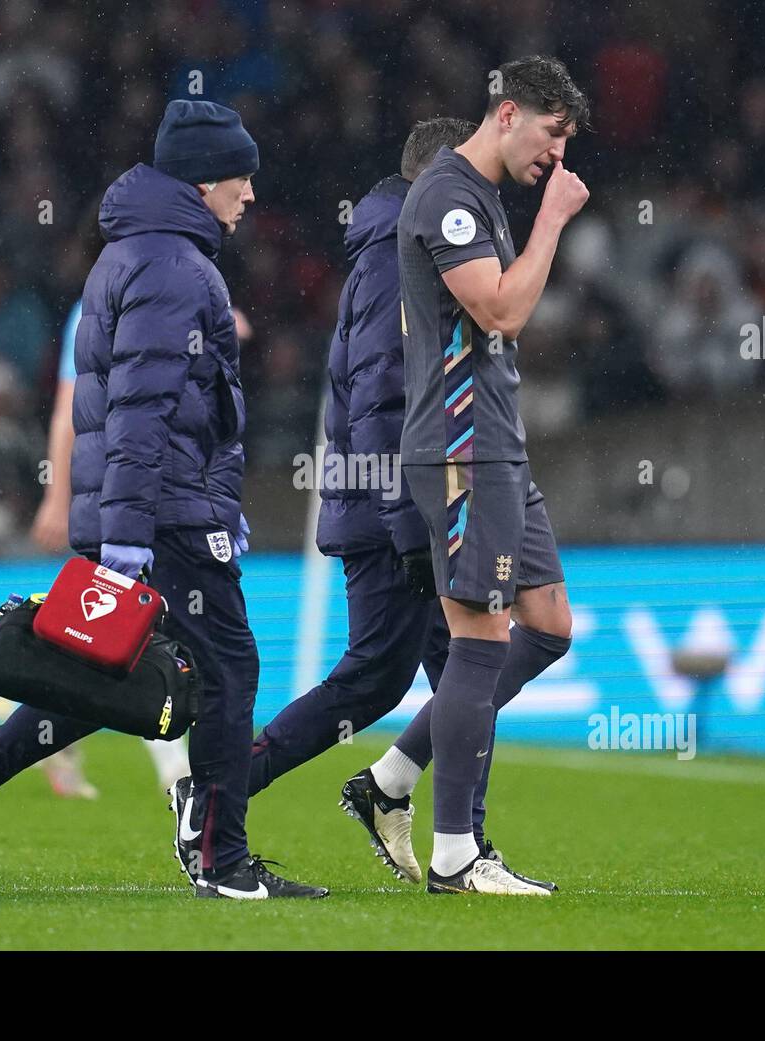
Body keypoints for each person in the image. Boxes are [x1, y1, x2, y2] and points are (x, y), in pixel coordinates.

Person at [0, 99, 327, 900]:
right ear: (203, 181)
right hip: (163, 515)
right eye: (241, 177)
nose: (251, 194)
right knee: (229, 670)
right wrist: (132, 541)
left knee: (100, 683)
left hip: (145, 509)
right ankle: (222, 860)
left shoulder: (133, 252)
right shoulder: (174, 267)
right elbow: (139, 413)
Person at [222, 119, 473, 886]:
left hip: (405, 502)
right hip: (394, 509)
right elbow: (378, 399)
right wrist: (407, 521)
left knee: (465, 665)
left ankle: (460, 843)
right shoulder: (399, 256)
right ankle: (221, 792)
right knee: (381, 677)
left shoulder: (401, 247)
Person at [377, 55, 591, 895]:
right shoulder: (447, 196)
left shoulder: (483, 197)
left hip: (498, 444)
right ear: (507, 113)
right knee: (479, 638)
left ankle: (392, 777)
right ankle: (456, 855)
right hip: (463, 448)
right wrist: (554, 222)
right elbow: (501, 308)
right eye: (552, 134)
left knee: (549, 624)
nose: (557, 156)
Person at [29, 279, 190, 800]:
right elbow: (68, 409)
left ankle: (47, 724)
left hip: (157, 486)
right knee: (133, 621)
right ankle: (174, 767)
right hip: (115, 491)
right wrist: (56, 496)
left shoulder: (173, 289)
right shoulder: (93, 311)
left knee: (116, 628)